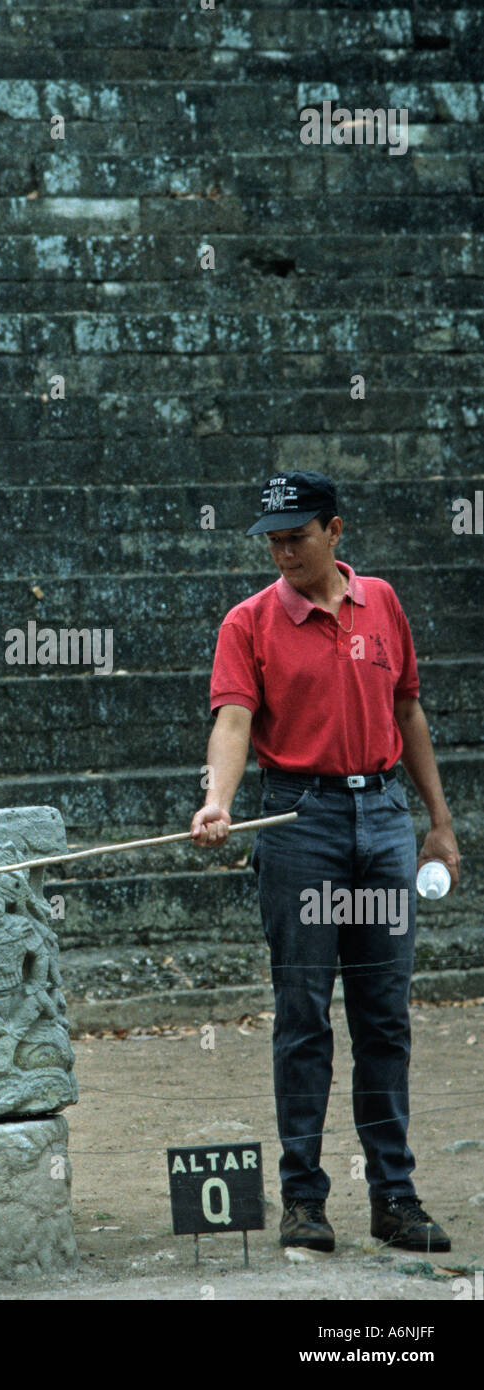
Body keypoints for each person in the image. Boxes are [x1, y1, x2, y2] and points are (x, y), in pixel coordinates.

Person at [190, 471, 461, 1254]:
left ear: (334, 531)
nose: (281, 552)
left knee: (383, 1018)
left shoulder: (383, 604)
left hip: (380, 821)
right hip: (297, 823)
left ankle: (395, 1197)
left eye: (295, 536)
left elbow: (406, 708)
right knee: (302, 1014)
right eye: (272, 539)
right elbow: (233, 718)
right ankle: (303, 1200)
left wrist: (436, 824)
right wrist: (219, 800)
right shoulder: (247, 622)